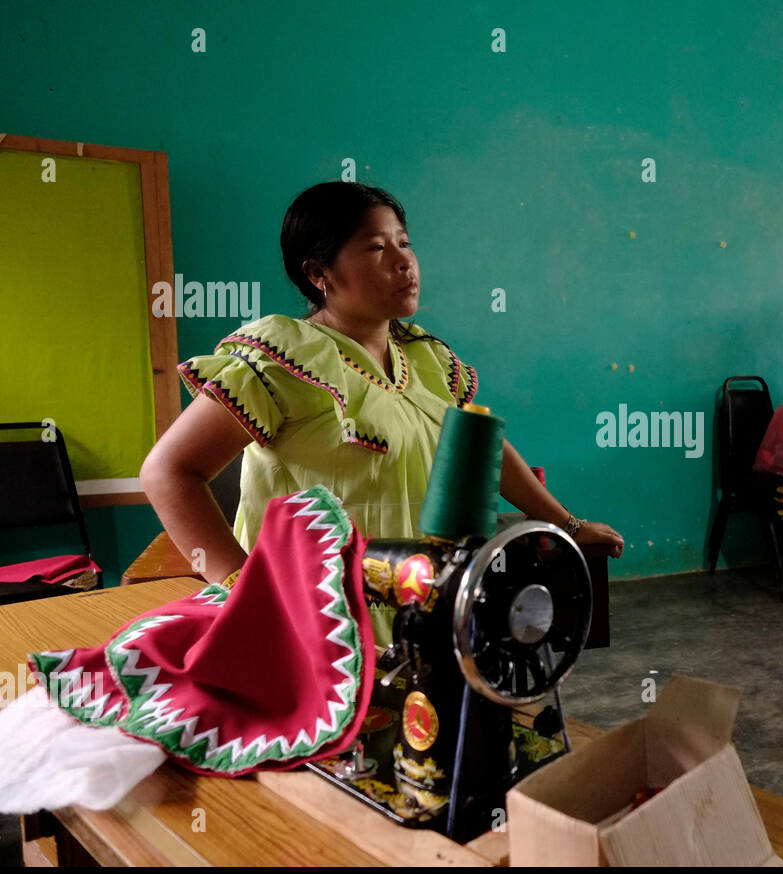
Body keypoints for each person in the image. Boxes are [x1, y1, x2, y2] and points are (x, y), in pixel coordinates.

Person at [141, 182, 624, 647]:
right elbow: (168, 471)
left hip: (425, 605)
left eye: (404, 243)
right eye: (376, 248)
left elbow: (483, 450)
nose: (404, 262)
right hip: (314, 621)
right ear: (319, 273)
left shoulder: (427, 360)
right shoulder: (281, 360)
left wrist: (569, 525)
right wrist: (241, 585)